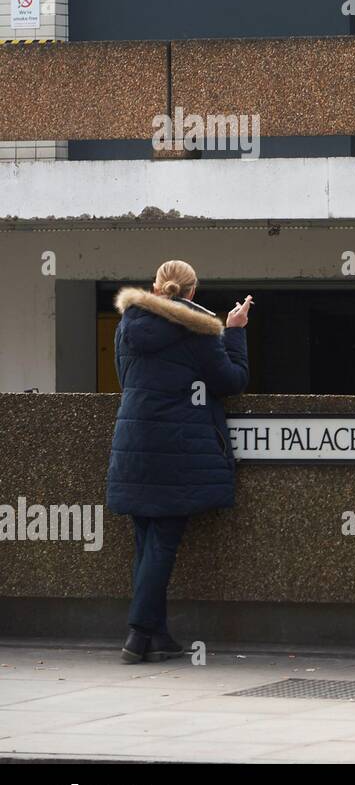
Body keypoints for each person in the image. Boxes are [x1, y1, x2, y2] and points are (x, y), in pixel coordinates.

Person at [107, 260, 252, 663]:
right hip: (177, 447)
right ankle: (137, 634)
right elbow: (232, 382)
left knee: (146, 540)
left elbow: (127, 380)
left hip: (133, 442)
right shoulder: (200, 329)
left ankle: (157, 635)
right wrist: (235, 332)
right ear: (192, 293)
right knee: (164, 540)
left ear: (156, 287)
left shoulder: (127, 326)